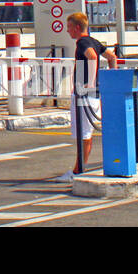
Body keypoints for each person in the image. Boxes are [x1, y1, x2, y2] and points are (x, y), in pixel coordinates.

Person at [59, 12, 117, 181]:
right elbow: (112, 57)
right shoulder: (94, 41)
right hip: (92, 94)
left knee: (83, 134)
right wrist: (111, 77)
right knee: (86, 134)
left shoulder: (83, 42)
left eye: (69, 27)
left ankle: (77, 171)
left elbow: (92, 56)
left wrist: (89, 82)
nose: (67, 31)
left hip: (84, 95)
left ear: (77, 28)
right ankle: (79, 168)